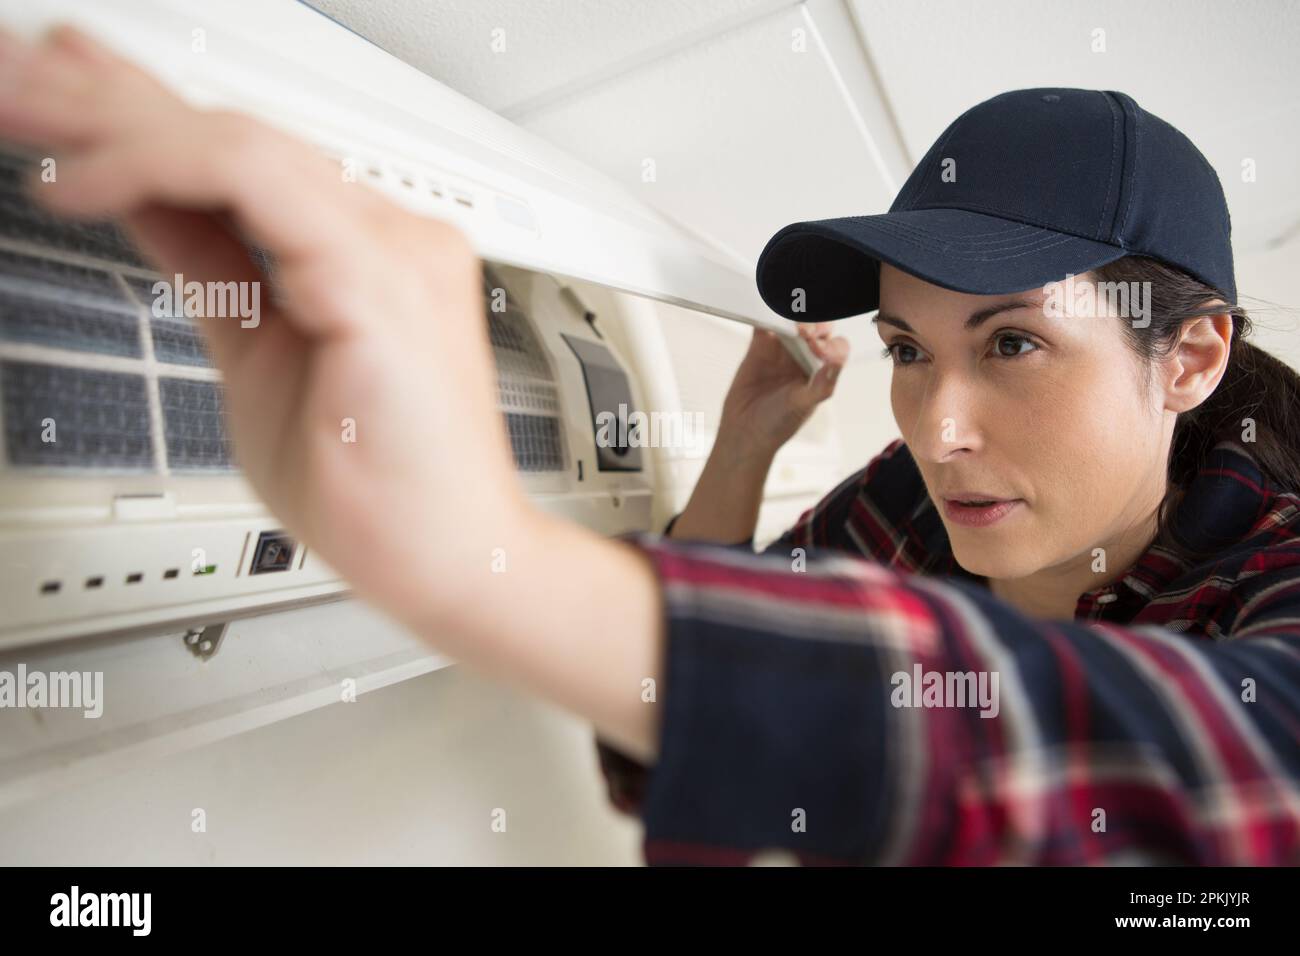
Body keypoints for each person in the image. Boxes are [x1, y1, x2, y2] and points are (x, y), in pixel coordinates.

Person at [1, 25, 1296, 865]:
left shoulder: (1278, 569)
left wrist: (477, 562)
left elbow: (1220, 790)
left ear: (1186, 359)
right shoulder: (916, 503)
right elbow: (660, 742)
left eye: (1012, 345)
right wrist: (738, 447)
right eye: (907, 351)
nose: (937, 426)